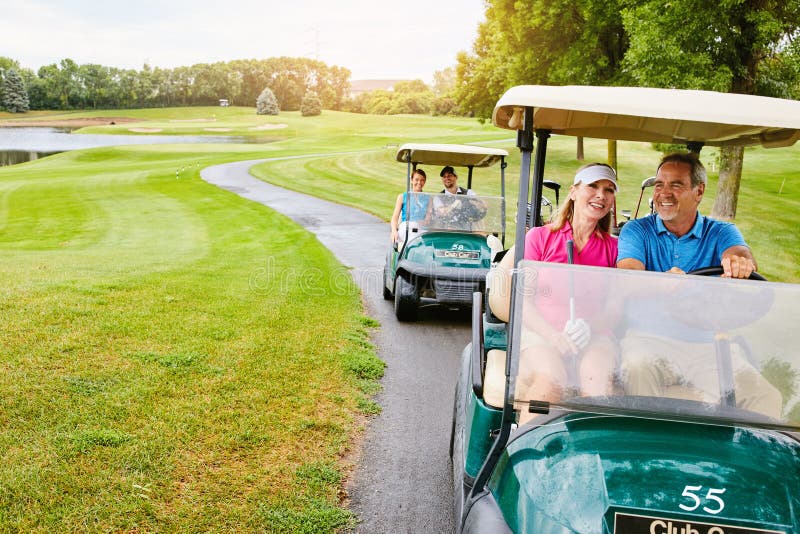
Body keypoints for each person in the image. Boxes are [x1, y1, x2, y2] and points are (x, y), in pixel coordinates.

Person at [617, 152, 781, 417]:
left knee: (766, 396)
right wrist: (660, 282)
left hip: (709, 345)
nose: (664, 193)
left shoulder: (720, 231)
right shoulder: (638, 231)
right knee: (637, 366)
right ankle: (648, 450)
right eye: (660, 184)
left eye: (676, 185)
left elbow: (738, 252)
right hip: (650, 340)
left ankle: (739, 458)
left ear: (699, 191)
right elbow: (627, 276)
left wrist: (738, 262)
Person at [510, 163, 620, 406]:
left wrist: (589, 327)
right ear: (573, 192)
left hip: (595, 335)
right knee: (551, 380)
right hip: (542, 333)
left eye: (608, 189)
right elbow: (522, 301)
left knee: (597, 381)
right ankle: (530, 442)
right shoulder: (540, 238)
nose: (601, 195)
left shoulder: (614, 249)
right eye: (592, 186)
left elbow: (614, 309)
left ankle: (592, 443)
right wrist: (554, 336)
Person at [389, 169, 430, 244]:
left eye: (422, 180)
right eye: (416, 180)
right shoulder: (402, 197)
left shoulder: (428, 198)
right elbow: (395, 217)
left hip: (421, 229)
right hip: (406, 228)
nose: (419, 183)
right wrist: (394, 231)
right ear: (411, 180)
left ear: (424, 182)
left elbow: (428, 219)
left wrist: (419, 222)